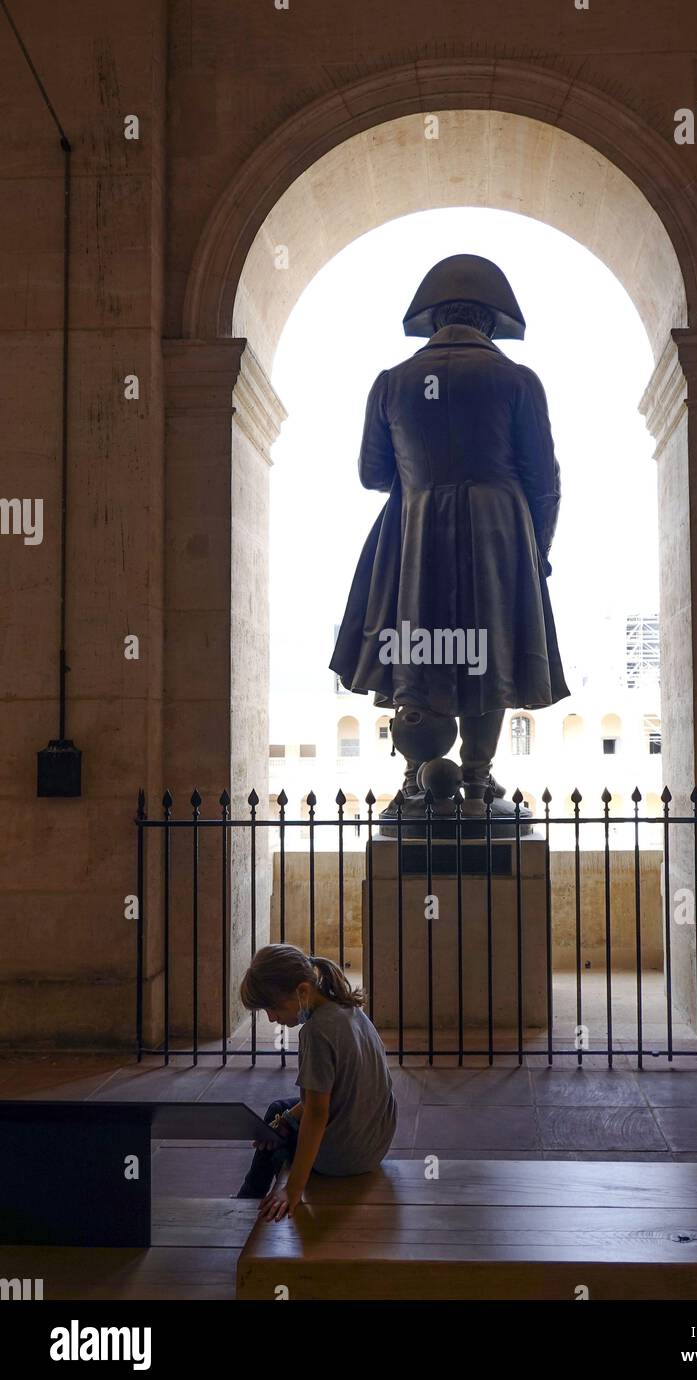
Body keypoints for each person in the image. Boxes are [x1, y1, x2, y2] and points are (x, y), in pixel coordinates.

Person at [329, 253, 569, 810]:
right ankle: (479, 779)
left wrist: (422, 480)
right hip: (500, 535)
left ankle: (416, 776)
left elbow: (372, 475)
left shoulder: (392, 383)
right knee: (493, 650)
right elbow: (545, 482)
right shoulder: (518, 380)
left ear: (434, 320)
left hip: (415, 533)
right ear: (490, 321)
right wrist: (538, 553)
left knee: (417, 648)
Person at [235, 945, 397, 1220]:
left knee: (276, 1128)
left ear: (302, 991)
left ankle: (248, 1201)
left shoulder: (316, 1033)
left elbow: (317, 1112)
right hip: (375, 1142)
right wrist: (287, 1120)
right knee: (280, 1116)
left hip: (343, 1157)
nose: (272, 1017)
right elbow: (326, 1096)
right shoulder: (348, 1008)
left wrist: (293, 1188)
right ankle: (249, 1195)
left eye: (273, 1007)